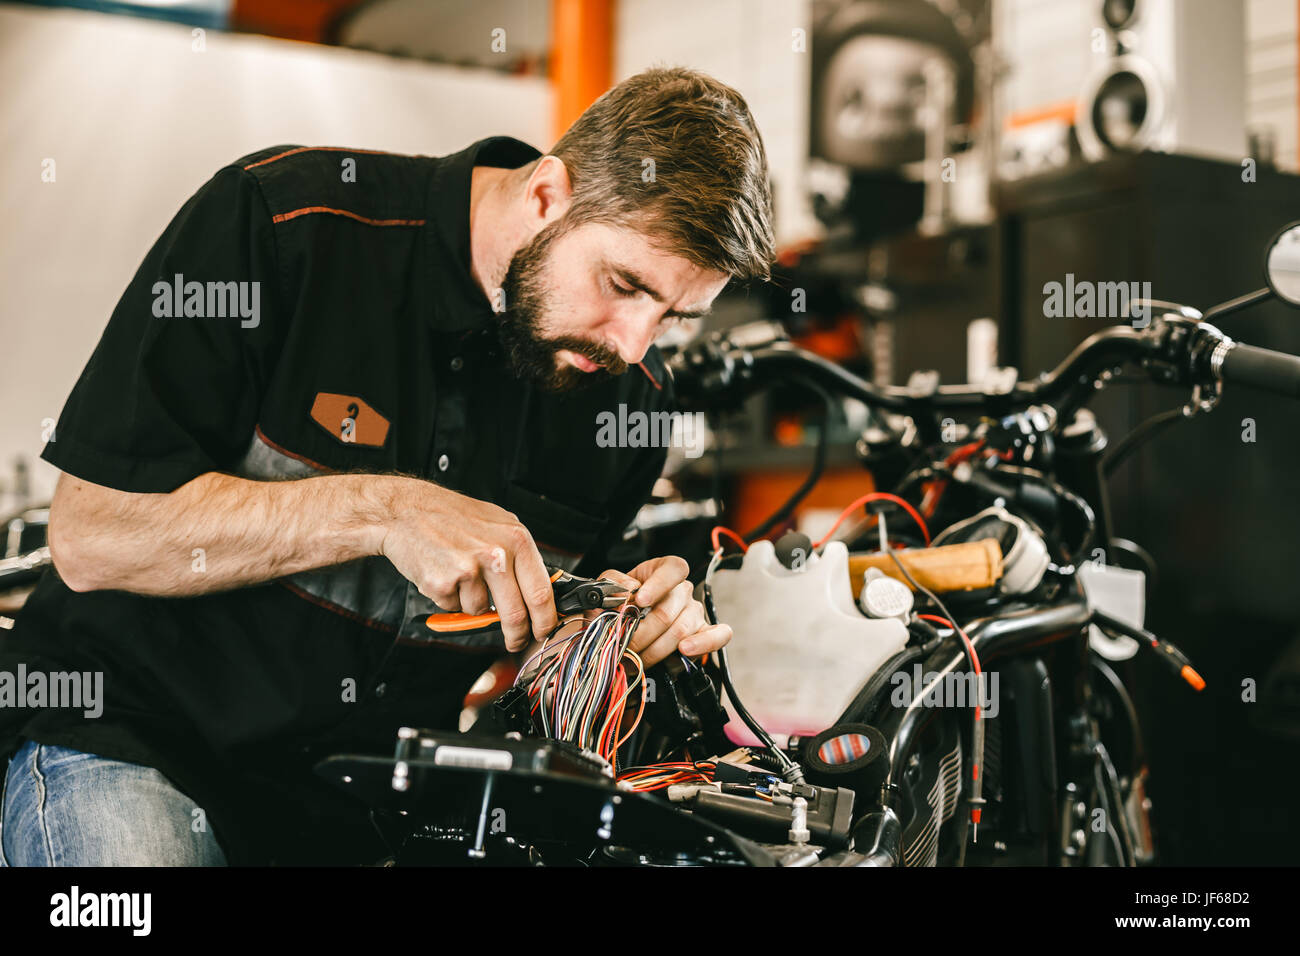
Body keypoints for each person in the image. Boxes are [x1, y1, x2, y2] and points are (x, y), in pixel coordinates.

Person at [0, 66, 774, 865]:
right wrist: (383, 510)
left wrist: (617, 633)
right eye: (623, 285)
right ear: (548, 193)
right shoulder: (281, 224)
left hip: (367, 814)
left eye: (675, 317)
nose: (632, 344)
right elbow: (93, 537)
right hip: (133, 744)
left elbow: (523, 668)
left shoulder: (629, 400)